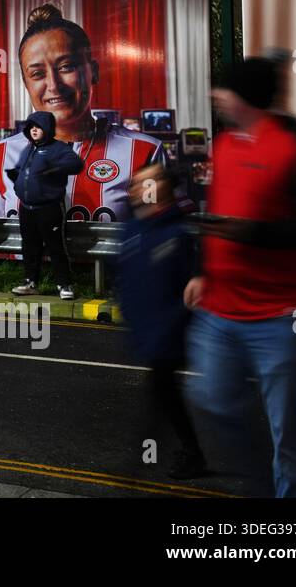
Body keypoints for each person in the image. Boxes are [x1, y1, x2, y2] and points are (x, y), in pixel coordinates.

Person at [184, 58, 296, 497]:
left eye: (224, 90)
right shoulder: (226, 144)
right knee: (210, 398)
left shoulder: (294, 145)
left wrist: (253, 233)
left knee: (287, 423)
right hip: (221, 306)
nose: (216, 97)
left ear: (246, 96)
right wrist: (201, 271)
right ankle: (261, 480)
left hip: (286, 312)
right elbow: (217, 214)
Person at [0, 3, 167, 222]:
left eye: (66, 66)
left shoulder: (145, 151)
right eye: (37, 74)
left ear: (94, 71)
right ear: (26, 84)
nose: (53, 85)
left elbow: (159, 240)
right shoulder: (0, 157)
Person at [116, 162, 207, 479]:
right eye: (138, 183)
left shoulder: (181, 233)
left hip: (170, 336)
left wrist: (169, 330)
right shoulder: (131, 230)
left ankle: (144, 461)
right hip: (147, 333)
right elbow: (126, 282)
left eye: (150, 181)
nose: (142, 188)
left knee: (161, 391)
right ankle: (177, 452)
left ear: (166, 187)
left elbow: (194, 285)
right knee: (165, 392)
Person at [6, 110, 83, 299]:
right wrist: (17, 177)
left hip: (49, 208)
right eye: (31, 127)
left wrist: (54, 168)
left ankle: (64, 285)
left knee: (55, 247)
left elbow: (77, 165)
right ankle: (31, 282)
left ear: (47, 129)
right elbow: (23, 169)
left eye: (38, 127)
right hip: (27, 208)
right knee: (30, 247)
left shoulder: (58, 148)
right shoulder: (29, 148)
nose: (33, 130)